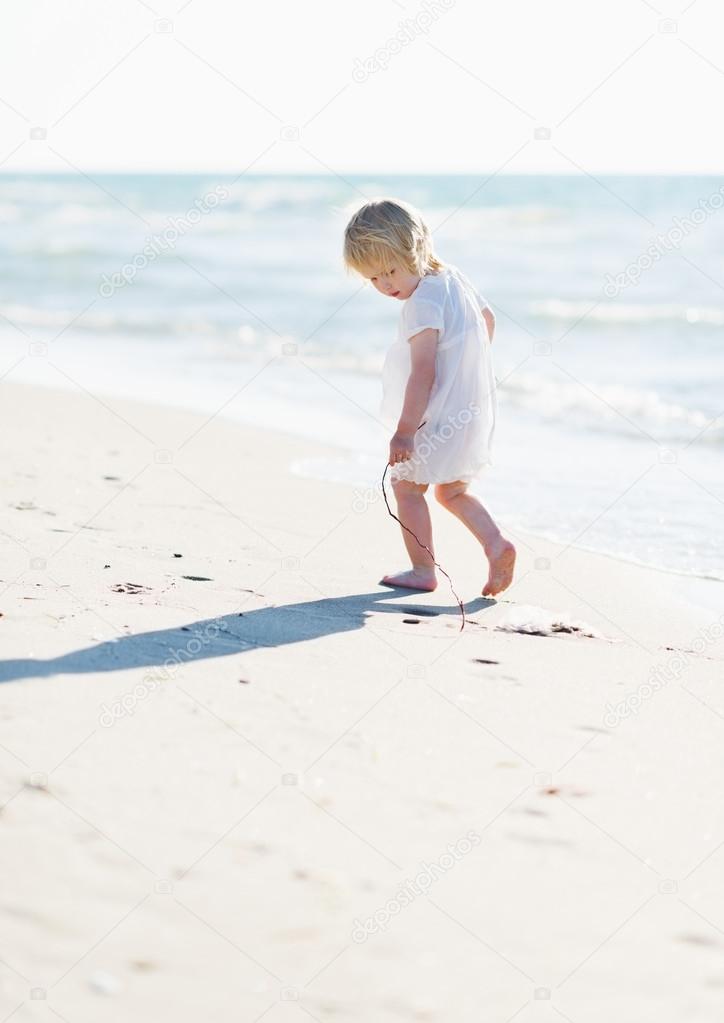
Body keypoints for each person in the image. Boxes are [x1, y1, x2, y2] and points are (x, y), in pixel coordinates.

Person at [343, 197, 516, 597]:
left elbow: (424, 372)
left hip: (433, 415)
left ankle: (423, 570)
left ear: (416, 249)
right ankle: (495, 544)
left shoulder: (420, 304)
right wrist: (467, 371)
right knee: (452, 490)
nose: (385, 285)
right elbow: (487, 321)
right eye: (372, 279)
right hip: (469, 408)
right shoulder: (454, 278)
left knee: (407, 489)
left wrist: (404, 433)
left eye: (390, 271)